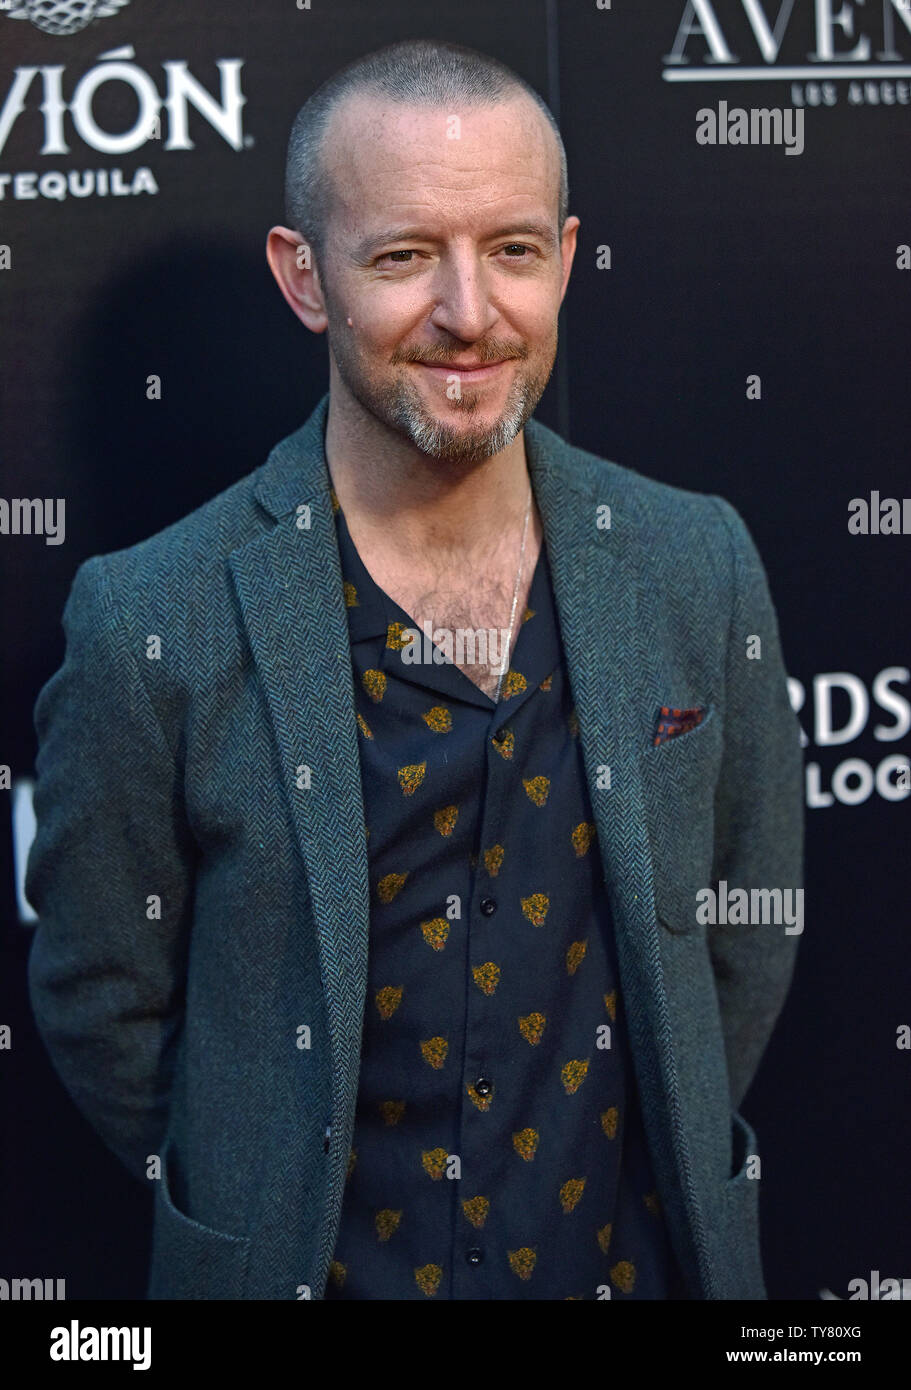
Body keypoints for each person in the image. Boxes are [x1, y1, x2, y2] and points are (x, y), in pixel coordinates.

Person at [25, 37, 804, 1301]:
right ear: (305, 277)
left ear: (561, 256)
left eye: (508, 250)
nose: (466, 311)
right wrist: (264, 1179)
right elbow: (101, 1001)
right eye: (401, 255)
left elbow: (739, 941)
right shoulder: (149, 614)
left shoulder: (689, 560)